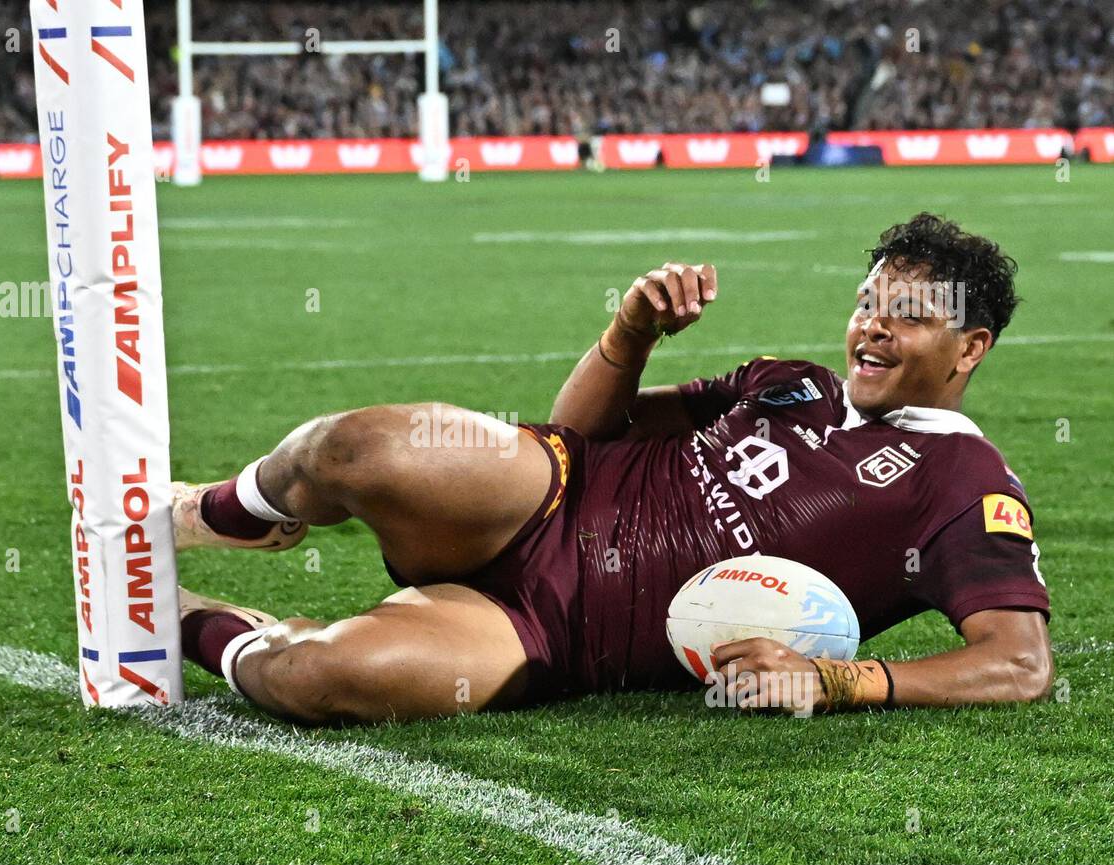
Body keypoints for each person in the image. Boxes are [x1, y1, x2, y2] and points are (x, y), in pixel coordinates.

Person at [174, 212, 1052, 724]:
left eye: (908, 316)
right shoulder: (792, 384)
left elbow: (1018, 664)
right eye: (868, 305)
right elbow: (580, 430)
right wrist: (631, 330)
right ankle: (225, 512)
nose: (872, 329)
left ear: (971, 346)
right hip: (543, 495)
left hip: (557, 637)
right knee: (354, 449)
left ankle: (183, 621)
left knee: (315, 677)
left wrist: (844, 680)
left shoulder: (964, 482)